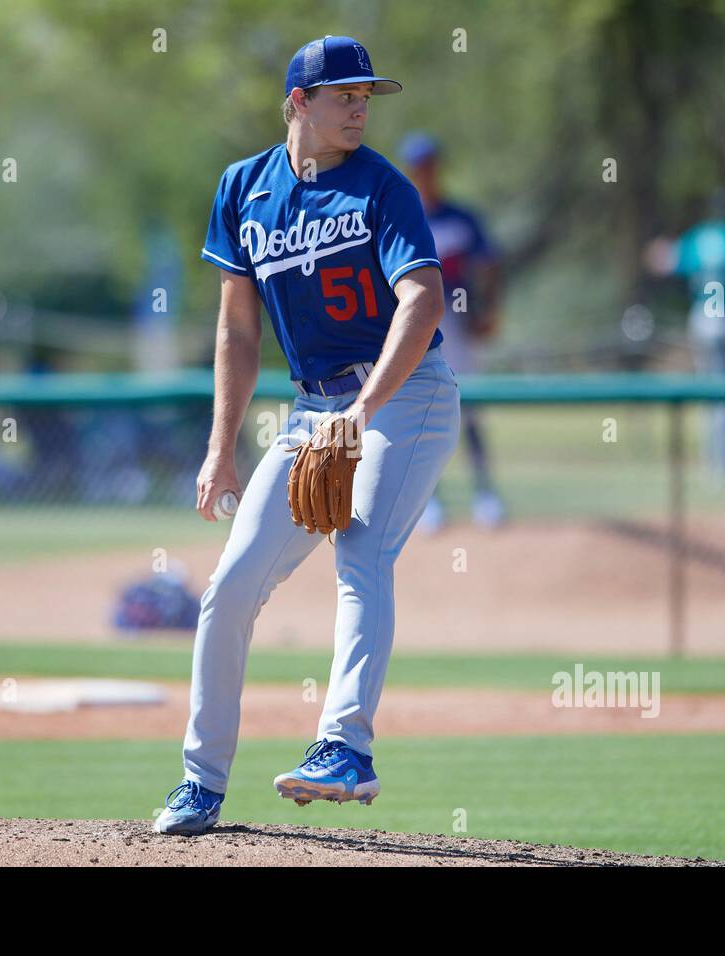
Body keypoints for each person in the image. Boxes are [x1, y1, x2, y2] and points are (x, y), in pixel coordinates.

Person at [154, 35, 461, 835]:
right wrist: (221, 446)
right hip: (311, 411)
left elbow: (423, 304)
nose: (361, 105)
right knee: (229, 587)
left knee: (360, 552)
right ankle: (200, 784)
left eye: (368, 95)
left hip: (408, 396)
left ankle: (345, 748)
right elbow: (237, 332)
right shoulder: (243, 189)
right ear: (299, 102)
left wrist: (364, 414)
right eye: (344, 94)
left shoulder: (381, 187)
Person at [399, 132, 506, 530]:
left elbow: (490, 265)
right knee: (423, 410)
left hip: (458, 326)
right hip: (414, 330)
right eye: (418, 164)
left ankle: (485, 492)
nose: (424, 171)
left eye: (429, 163)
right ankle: (429, 501)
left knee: (470, 408)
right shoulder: (402, 218)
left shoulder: (461, 218)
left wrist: (490, 311)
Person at [645, 189, 725, 482]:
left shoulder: (700, 236)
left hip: (702, 318)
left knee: (712, 394)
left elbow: (664, 261)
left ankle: (714, 464)